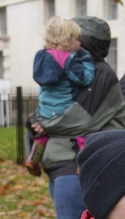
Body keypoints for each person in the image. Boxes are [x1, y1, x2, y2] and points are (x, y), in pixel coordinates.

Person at [33, 16, 125, 219]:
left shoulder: (100, 73)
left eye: (76, 38)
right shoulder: (73, 69)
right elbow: (54, 107)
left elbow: (79, 121)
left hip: (81, 164)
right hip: (62, 162)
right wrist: (36, 119)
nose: (72, 43)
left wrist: (42, 121)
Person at [24, 16, 93, 175]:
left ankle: (33, 158)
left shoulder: (41, 56)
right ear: (66, 41)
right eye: (77, 40)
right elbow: (85, 78)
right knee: (84, 129)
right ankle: (83, 162)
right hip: (64, 109)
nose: (80, 44)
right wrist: (87, 61)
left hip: (45, 109)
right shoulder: (66, 58)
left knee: (43, 132)